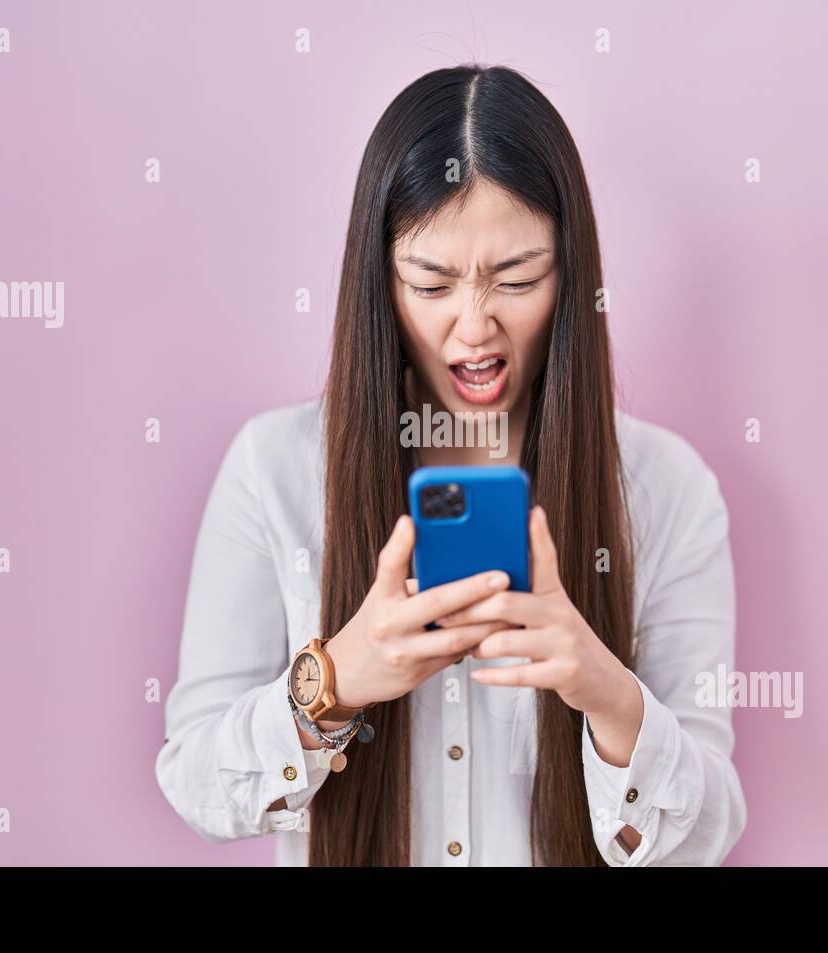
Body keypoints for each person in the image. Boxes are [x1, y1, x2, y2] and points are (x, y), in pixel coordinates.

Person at [155, 64, 746, 866]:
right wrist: (338, 677)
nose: (475, 327)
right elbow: (194, 780)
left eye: (517, 279)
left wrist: (602, 688)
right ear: (381, 283)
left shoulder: (667, 490)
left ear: (570, 276)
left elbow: (710, 830)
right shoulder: (274, 469)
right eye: (431, 283)